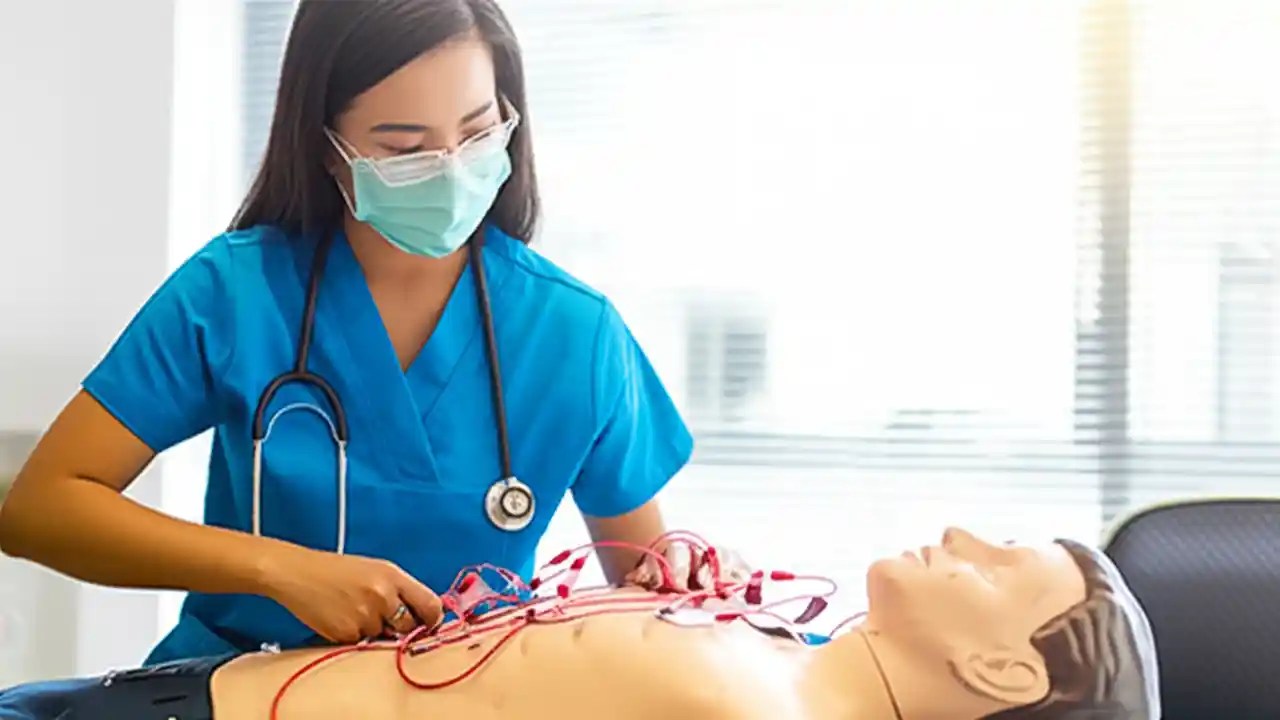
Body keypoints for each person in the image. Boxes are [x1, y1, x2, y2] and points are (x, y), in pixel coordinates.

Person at [0, 0, 719, 666]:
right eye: (404, 147)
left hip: (465, 698)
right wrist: (279, 569)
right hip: (239, 685)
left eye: (476, 133)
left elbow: (646, 580)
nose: (449, 169)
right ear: (324, 147)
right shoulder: (233, 294)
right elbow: (40, 509)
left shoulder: (574, 333)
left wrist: (692, 579)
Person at [0, 527, 1161, 720]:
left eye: (997, 558)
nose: (959, 533)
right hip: (188, 690)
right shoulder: (789, 668)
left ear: (1001, 667)